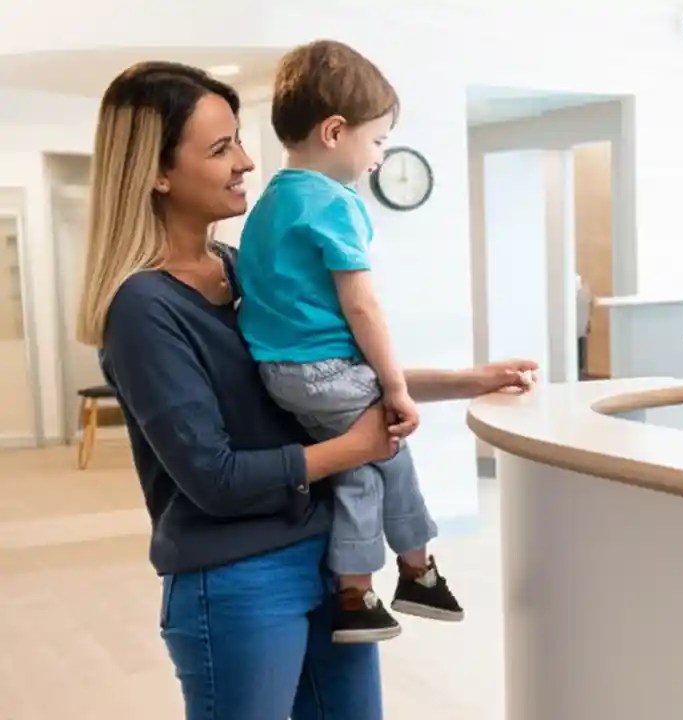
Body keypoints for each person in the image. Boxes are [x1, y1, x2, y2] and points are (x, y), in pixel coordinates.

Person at [77, 61, 536, 719]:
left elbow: (324, 381)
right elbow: (214, 477)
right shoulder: (143, 308)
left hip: (322, 558)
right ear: (157, 172)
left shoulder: (235, 269)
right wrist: (354, 450)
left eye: (237, 139)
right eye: (219, 148)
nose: (245, 162)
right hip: (237, 579)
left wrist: (470, 380)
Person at [235, 39, 456, 644]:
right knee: (389, 448)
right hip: (326, 369)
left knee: (359, 471)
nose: (381, 156)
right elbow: (361, 303)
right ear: (336, 131)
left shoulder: (270, 203)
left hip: (280, 372)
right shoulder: (337, 203)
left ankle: (358, 591)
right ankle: (416, 570)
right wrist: (395, 386)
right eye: (379, 140)